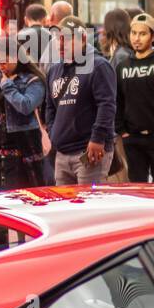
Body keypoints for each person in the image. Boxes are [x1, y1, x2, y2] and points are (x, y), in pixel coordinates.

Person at [45, 17, 116, 186]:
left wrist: (98, 139)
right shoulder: (53, 69)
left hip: (89, 151)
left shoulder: (99, 65)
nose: (61, 44)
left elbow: (107, 105)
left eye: (68, 39)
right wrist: (53, 135)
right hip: (62, 153)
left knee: (88, 207)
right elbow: (49, 108)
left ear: (83, 39)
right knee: (65, 209)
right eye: (58, 38)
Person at [0, 33, 46, 190]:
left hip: (23, 142)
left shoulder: (33, 80)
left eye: (5, 61)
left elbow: (26, 106)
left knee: (23, 191)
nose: (1, 66)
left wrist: (7, 86)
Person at [115, 13, 154, 183]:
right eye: (133, 33)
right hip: (132, 138)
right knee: (137, 189)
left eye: (142, 34)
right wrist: (122, 131)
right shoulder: (123, 66)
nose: (137, 38)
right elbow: (117, 100)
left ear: (153, 36)